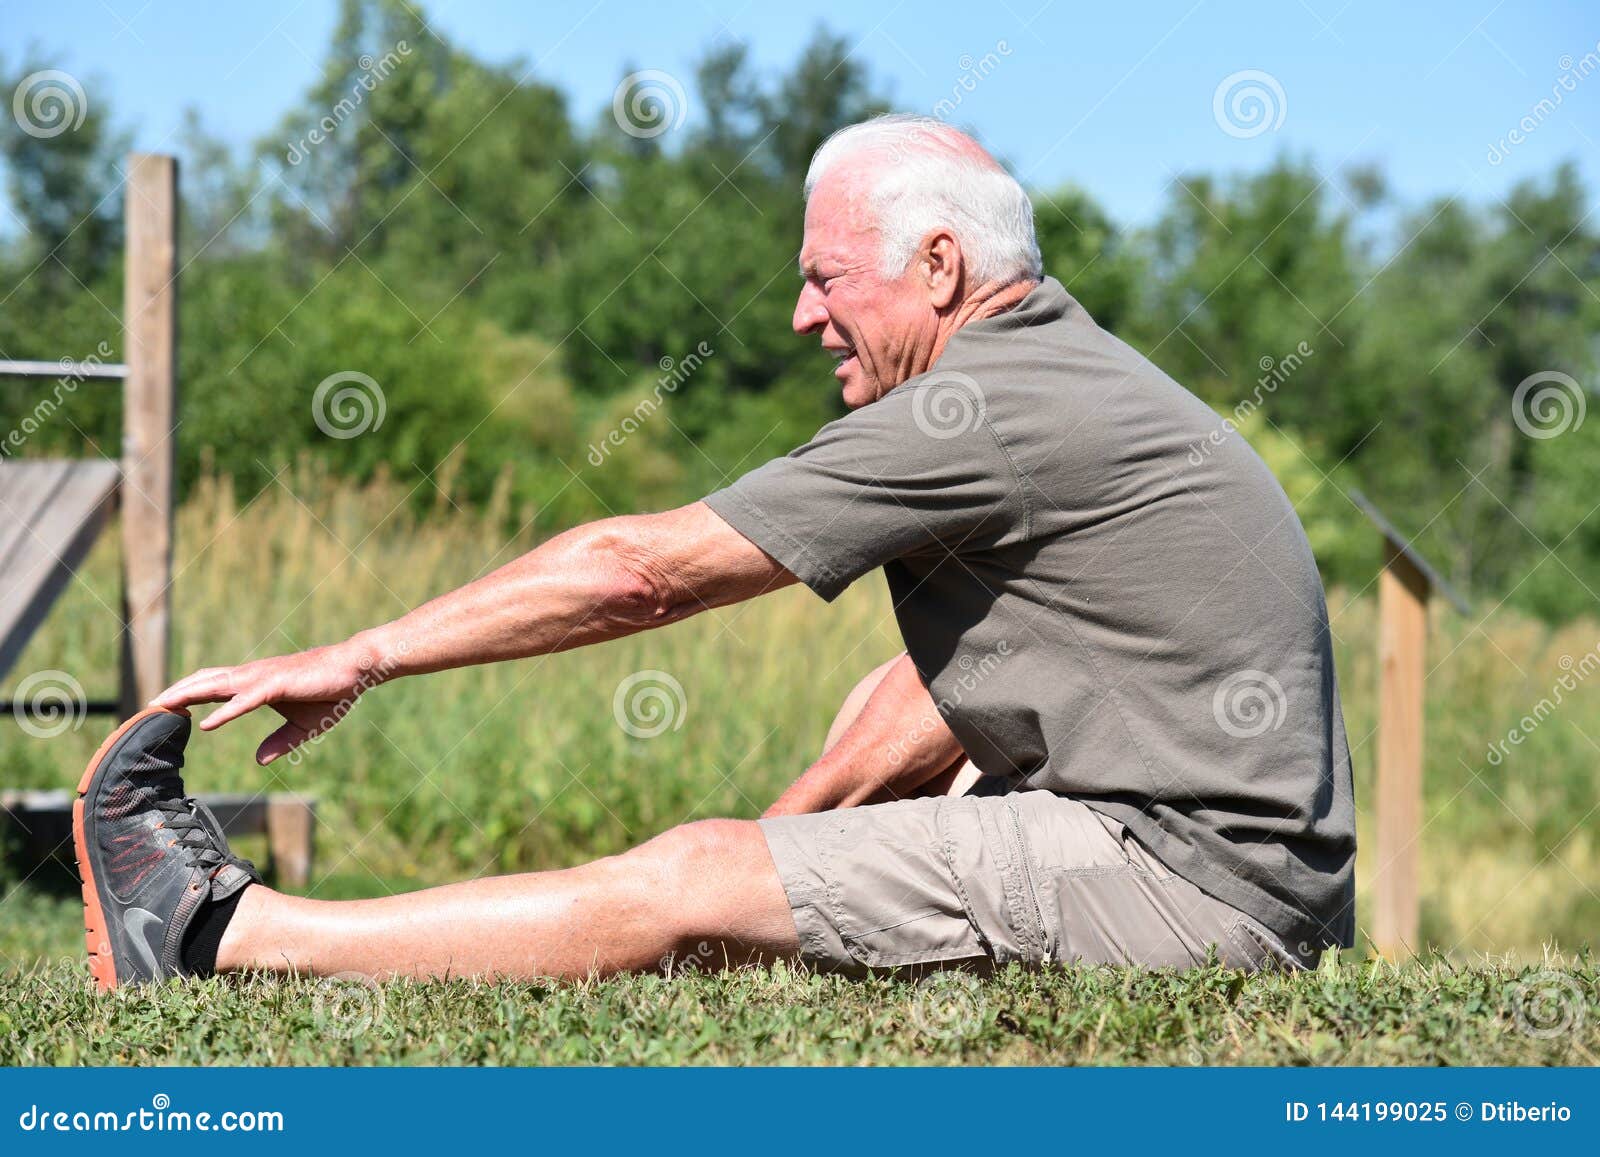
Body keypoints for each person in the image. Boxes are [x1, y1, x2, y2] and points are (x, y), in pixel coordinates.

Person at [74, 114, 1354, 991]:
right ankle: (699, 928)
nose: (803, 315)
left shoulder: (979, 410)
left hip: (1189, 889)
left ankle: (215, 935)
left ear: (940, 264)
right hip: (1236, 874)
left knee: (690, 867)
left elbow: (640, 573)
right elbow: (960, 687)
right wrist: (780, 854)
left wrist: (360, 654)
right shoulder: (1066, 373)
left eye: (825, 277)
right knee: (860, 728)